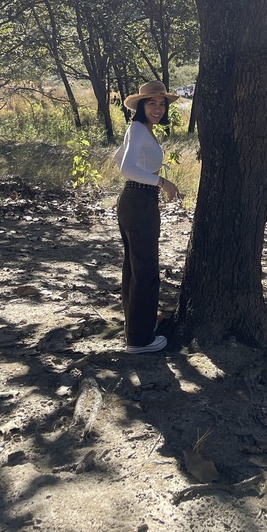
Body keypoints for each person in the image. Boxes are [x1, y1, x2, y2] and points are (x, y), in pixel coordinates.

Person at [114, 81, 181, 354]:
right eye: (151, 103)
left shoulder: (140, 130)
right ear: (141, 106)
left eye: (161, 103)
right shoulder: (138, 129)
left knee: (134, 267)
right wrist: (161, 182)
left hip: (135, 200)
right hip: (139, 201)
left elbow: (117, 158)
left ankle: (136, 327)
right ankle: (140, 340)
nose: (158, 108)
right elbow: (126, 168)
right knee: (145, 270)